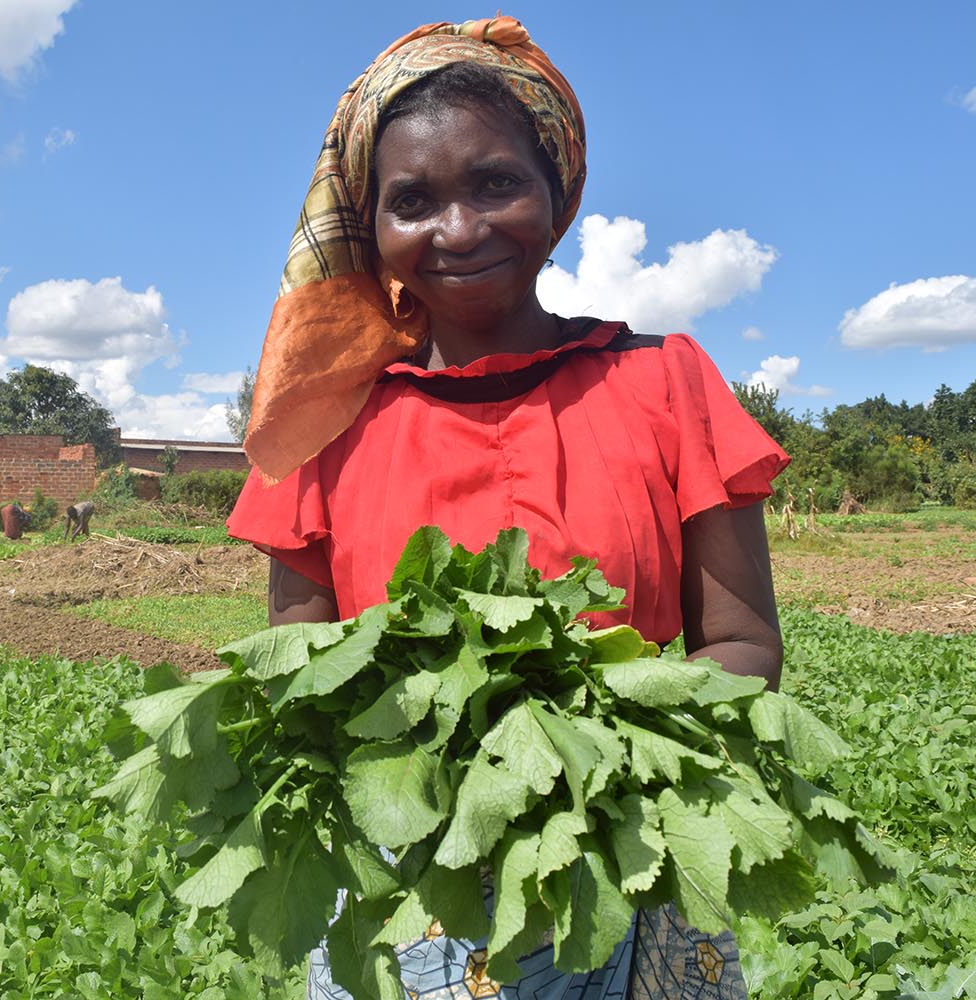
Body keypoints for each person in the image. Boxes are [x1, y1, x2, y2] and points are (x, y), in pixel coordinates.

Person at [226, 16, 787, 1000]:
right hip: (415, 879)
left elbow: (740, 642)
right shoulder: (326, 425)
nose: (458, 228)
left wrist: (606, 748)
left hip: (631, 858)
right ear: (375, 225)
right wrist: (424, 758)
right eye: (413, 201)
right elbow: (297, 653)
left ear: (554, 187)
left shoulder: (667, 383)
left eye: (494, 183)